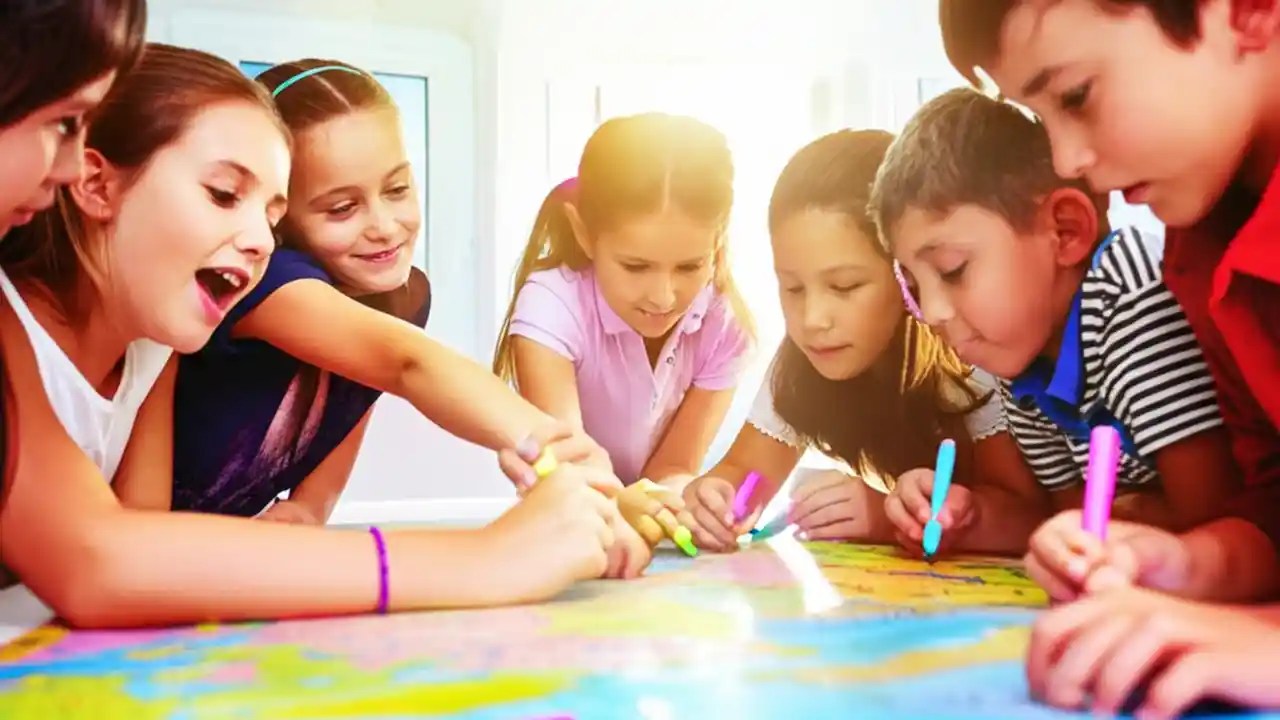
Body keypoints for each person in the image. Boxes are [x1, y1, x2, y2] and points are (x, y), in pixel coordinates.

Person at [0, 43, 616, 629]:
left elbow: (138, 535)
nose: (261, 240)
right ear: (95, 183)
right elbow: (100, 560)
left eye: (271, 215)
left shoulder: (154, 344)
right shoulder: (18, 331)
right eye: (223, 194)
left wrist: (311, 510)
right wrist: (488, 558)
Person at [682, 129, 1038, 556]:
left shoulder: (971, 362)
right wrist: (712, 498)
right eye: (792, 289)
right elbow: (743, 472)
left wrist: (888, 517)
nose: (813, 320)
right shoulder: (802, 363)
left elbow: (1029, 516)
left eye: (845, 286)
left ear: (907, 275)